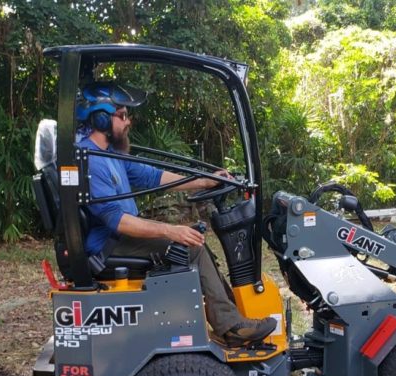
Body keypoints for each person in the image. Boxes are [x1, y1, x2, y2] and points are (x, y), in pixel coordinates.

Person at [76, 82, 276, 347]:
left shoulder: (109, 154)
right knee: (190, 245)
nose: (128, 122)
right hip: (108, 247)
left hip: (117, 239)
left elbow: (154, 176)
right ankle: (230, 326)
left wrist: (204, 181)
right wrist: (171, 231)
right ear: (101, 119)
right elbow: (118, 220)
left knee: (193, 240)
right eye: (122, 115)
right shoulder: (91, 161)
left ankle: (231, 320)